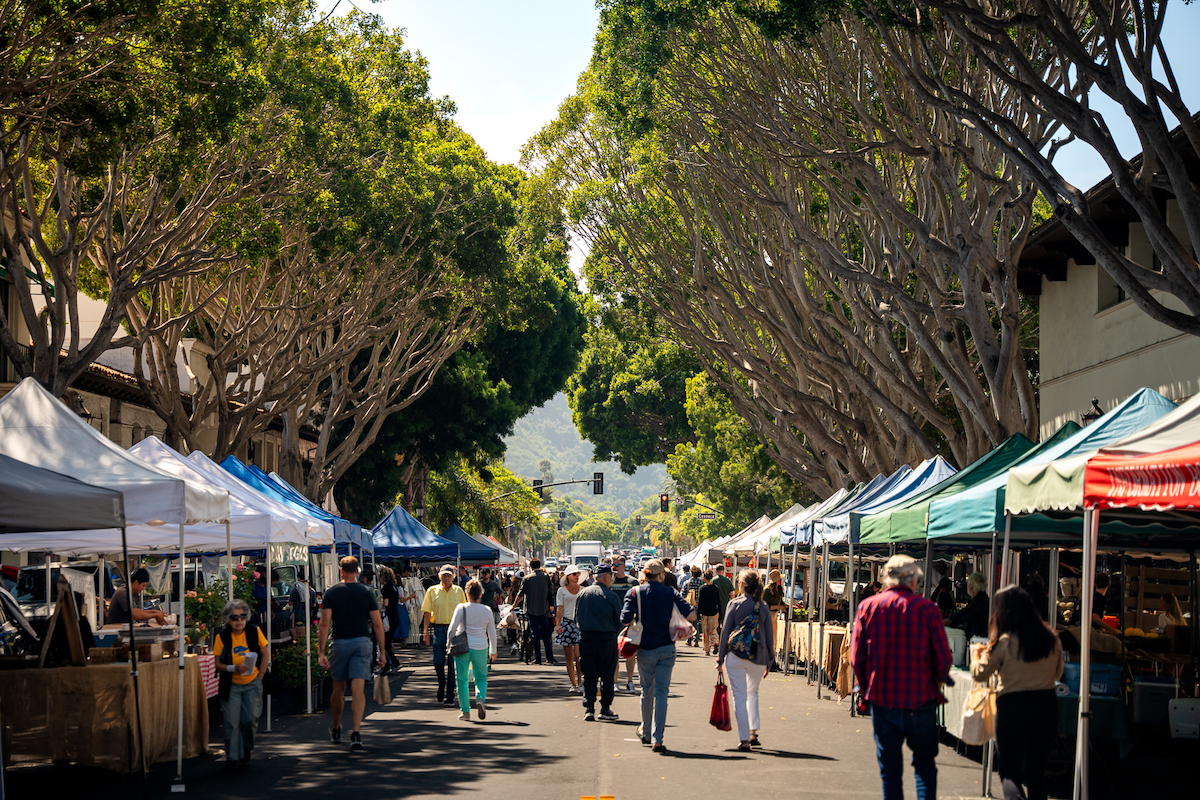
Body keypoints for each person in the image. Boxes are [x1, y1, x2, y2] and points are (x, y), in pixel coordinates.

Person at [851, 554, 952, 800]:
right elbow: (943, 657)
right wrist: (937, 682)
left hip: (884, 698)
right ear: (914, 580)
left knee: (890, 768)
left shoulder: (869, 607)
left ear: (886, 579)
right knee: (925, 765)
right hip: (921, 698)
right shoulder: (928, 609)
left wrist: (866, 688)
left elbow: (857, 658)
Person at [970, 586, 1064, 800]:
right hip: (1047, 706)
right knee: (1036, 772)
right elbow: (1058, 672)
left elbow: (979, 674)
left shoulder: (1004, 643)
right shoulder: (1051, 637)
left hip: (1013, 708)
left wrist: (977, 654)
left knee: (1010, 772)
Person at [619, 559, 696, 752]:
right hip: (666, 647)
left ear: (645, 575)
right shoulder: (670, 592)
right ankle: (657, 738)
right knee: (662, 692)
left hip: (645, 648)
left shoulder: (635, 592)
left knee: (647, 691)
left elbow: (624, 619)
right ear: (661, 575)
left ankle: (645, 732)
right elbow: (692, 614)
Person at [317, 556, 386, 750]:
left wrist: (321, 651)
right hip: (362, 642)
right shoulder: (367, 593)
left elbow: (324, 624)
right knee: (358, 687)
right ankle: (356, 732)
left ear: (341, 571)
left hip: (339, 642)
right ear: (358, 572)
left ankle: (337, 727)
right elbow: (377, 624)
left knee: (338, 688)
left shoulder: (332, 593)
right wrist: (382, 651)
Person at [717, 569, 774, 751]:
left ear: (741, 585)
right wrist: (770, 660)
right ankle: (753, 731)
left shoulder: (734, 604)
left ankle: (744, 739)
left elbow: (725, 632)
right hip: (759, 656)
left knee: (739, 697)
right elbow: (769, 635)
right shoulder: (763, 606)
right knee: (753, 693)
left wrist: (720, 658)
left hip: (736, 655)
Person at [213, 598, 269, 769]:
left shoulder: (254, 631)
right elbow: (217, 664)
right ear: (227, 620)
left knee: (249, 719)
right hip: (231, 685)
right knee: (231, 722)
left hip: (252, 683)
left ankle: (246, 748)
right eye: (235, 618)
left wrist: (260, 675)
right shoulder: (222, 637)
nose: (239, 621)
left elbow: (265, 654)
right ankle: (232, 757)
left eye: (242, 617)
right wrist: (233, 667)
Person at [576, 563, 622, 721]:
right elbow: (619, 621)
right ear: (606, 576)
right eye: (611, 576)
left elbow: (577, 618)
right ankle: (605, 708)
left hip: (587, 638)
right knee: (607, 675)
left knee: (589, 675)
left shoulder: (583, 594)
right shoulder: (611, 596)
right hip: (607, 639)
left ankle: (589, 708)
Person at [448, 578, 497, 722]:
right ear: (481, 594)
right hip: (481, 646)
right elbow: (492, 633)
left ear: (466, 593)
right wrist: (493, 650)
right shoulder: (486, 610)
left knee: (462, 680)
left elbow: (451, 629)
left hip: (463, 647)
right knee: (481, 677)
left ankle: (465, 711)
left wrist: (448, 645)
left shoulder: (461, 608)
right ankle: (480, 698)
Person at [422, 565, 468, 707]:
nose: (446, 578)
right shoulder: (432, 591)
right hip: (439, 629)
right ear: (439, 576)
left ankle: (450, 695)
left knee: (452, 664)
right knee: (438, 661)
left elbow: (463, 612)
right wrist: (425, 632)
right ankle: (441, 684)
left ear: (453, 577)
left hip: (454, 631)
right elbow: (427, 612)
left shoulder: (458, 591)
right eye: (444, 575)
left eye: (449, 575)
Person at [516, 559, 557, 665]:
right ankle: (549, 657)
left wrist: (513, 606)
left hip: (531, 609)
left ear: (531, 566)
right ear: (540, 565)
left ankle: (537, 657)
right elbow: (550, 592)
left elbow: (520, 594)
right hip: (544, 608)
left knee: (535, 634)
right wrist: (551, 605)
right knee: (546, 634)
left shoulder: (527, 578)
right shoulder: (546, 577)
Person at [610, 557, 638, 692]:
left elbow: (638, 602)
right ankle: (615, 682)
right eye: (611, 565)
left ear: (624, 566)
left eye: (616, 565)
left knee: (630, 653)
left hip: (629, 624)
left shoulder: (632, 582)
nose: (613, 567)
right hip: (612, 623)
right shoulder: (609, 582)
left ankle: (630, 681)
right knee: (614, 653)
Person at [555, 565, 585, 692]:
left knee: (579, 656)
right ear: (568, 576)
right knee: (569, 656)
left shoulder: (583, 590)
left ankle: (580, 681)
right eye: (574, 574)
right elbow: (559, 607)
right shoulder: (561, 591)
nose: (577, 576)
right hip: (566, 622)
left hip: (580, 623)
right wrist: (558, 623)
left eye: (578, 574)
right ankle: (573, 684)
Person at [949, 572, 990, 640]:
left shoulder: (979, 600)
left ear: (971, 586)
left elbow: (965, 613)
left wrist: (949, 620)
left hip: (978, 639)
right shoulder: (982, 598)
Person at [378, 566, 401, 670]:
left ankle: (392, 663)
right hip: (395, 616)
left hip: (388, 618)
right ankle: (389, 664)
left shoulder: (386, 588)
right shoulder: (393, 587)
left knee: (385, 642)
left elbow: (385, 603)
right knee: (387, 641)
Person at [697, 570, 722, 655]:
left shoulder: (702, 588)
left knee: (705, 631)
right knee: (713, 630)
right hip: (714, 612)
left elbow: (699, 602)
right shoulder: (715, 588)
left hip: (704, 613)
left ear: (704, 578)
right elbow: (719, 601)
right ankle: (715, 642)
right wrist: (720, 614)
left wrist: (698, 614)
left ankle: (707, 650)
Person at [682, 567, 704, 646]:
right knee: (697, 622)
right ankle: (696, 640)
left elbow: (682, 595)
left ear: (692, 574)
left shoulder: (687, 583)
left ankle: (689, 639)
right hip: (699, 605)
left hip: (688, 605)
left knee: (689, 623)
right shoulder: (701, 583)